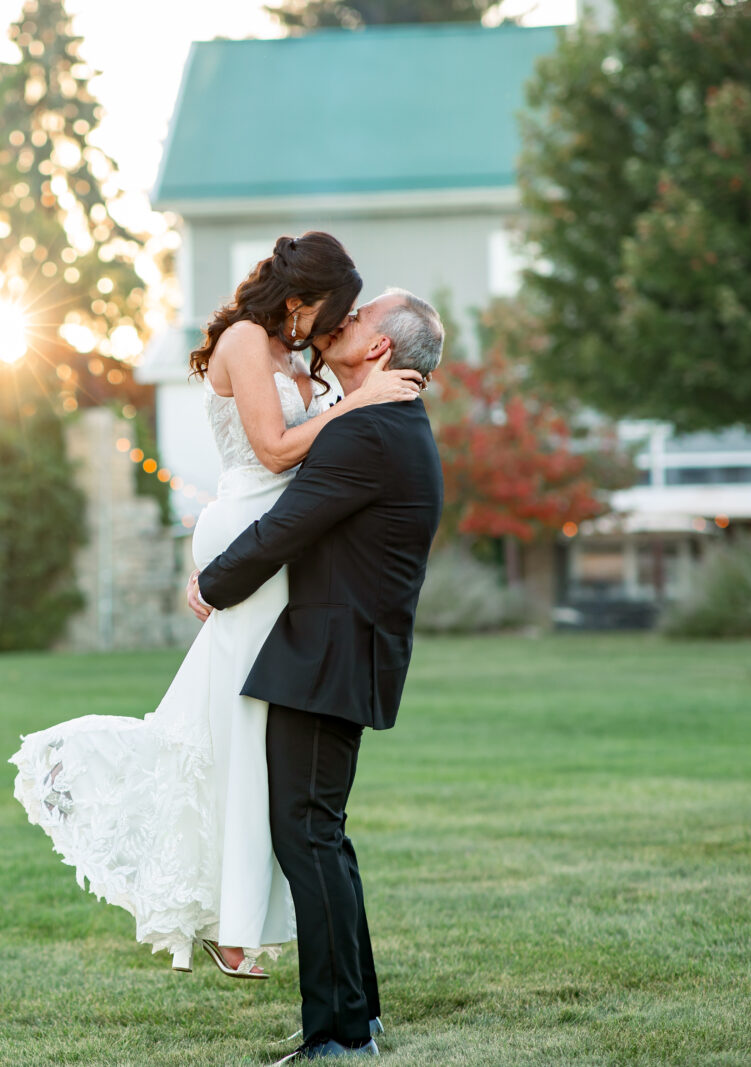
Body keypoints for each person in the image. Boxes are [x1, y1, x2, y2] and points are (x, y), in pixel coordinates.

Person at [8, 233, 425, 979]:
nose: (337, 325)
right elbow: (270, 450)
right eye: (333, 311)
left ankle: (235, 921)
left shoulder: (299, 358)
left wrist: (351, 396)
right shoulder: (242, 339)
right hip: (253, 533)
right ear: (300, 301)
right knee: (243, 728)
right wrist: (359, 403)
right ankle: (228, 918)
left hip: (276, 546)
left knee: (241, 729)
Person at [188, 287, 446, 1062]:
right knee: (321, 835)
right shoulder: (382, 420)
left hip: (327, 654)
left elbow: (287, 527)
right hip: (341, 651)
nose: (343, 322)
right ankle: (355, 1019)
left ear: (379, 350)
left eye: (360, 319)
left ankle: (336, 1033)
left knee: (307, 835)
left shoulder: (371, 428)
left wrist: (210, 581)